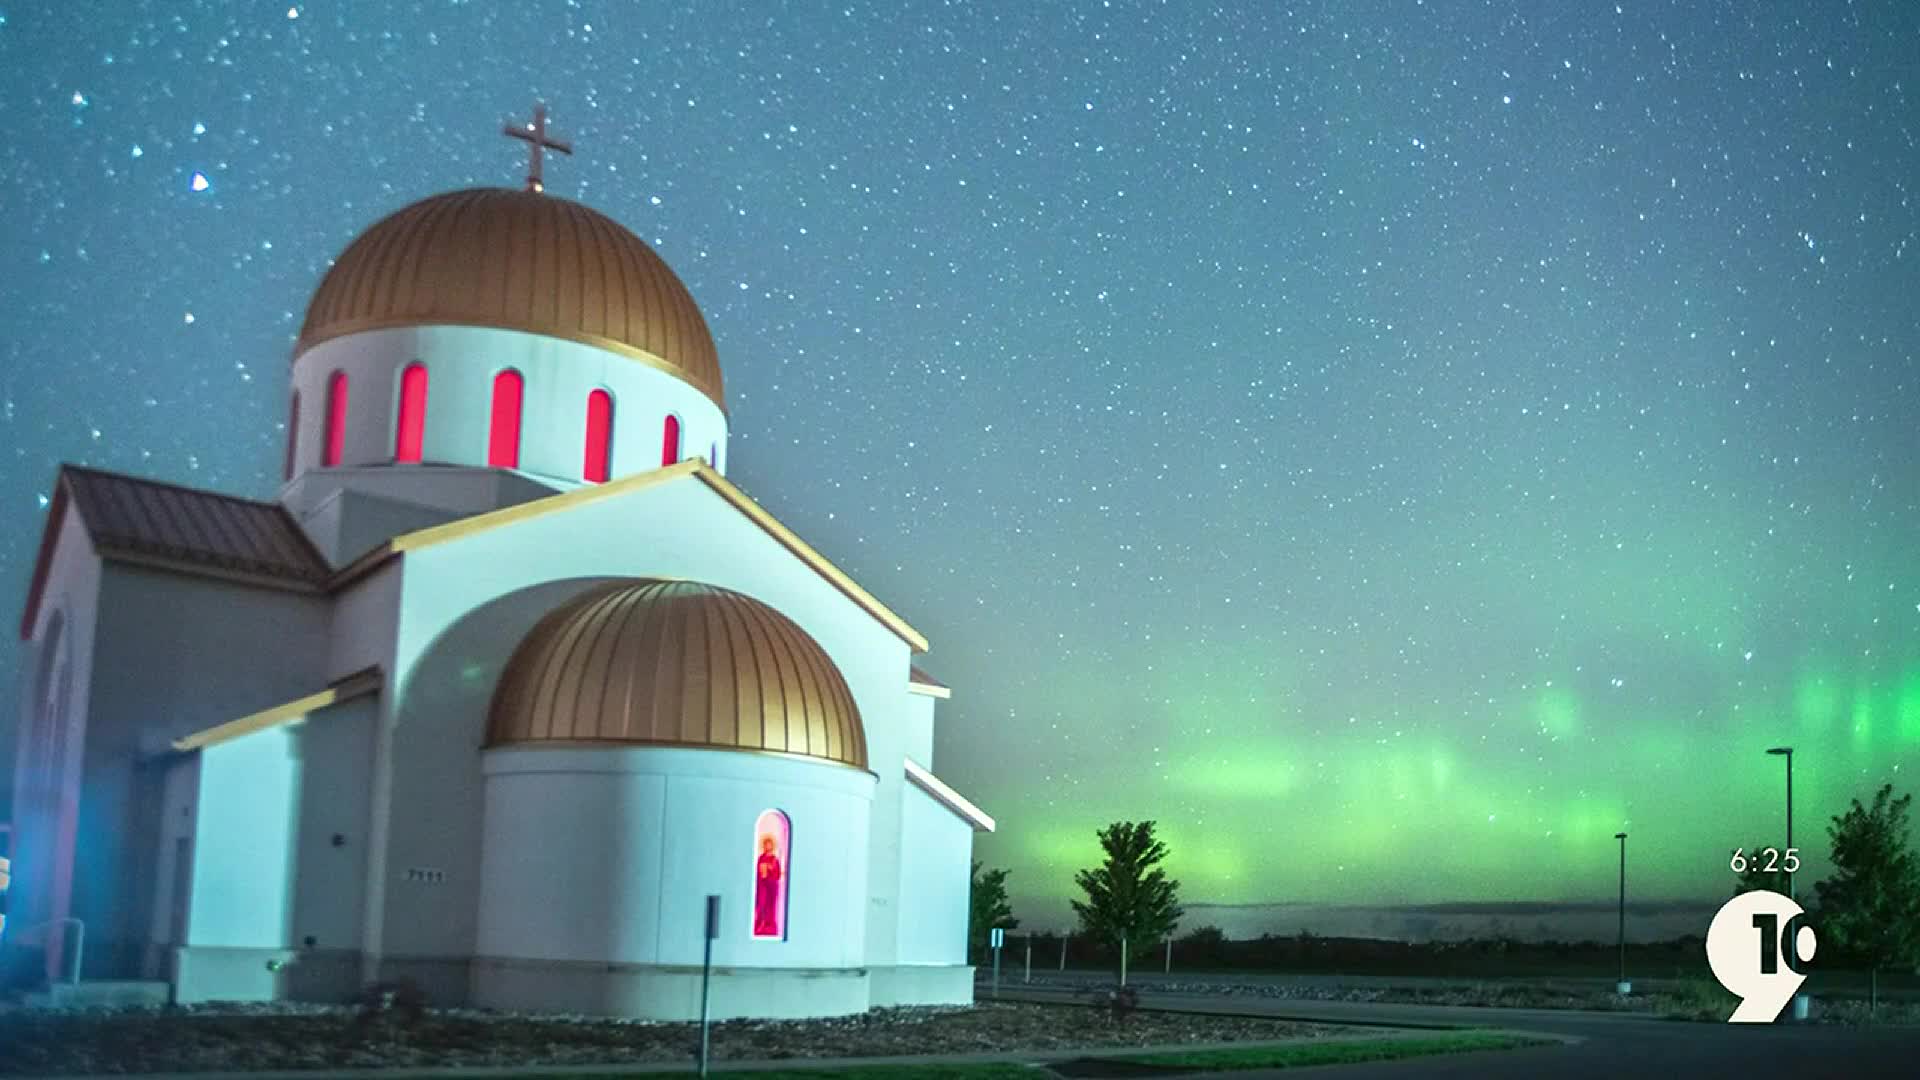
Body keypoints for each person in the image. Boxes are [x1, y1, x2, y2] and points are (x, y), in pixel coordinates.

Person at [753, 834, 783, 936]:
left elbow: (778, 875)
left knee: (770, 906)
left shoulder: (775, 860)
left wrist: (771, 869)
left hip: (772, 887)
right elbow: (757, 872)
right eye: (766, 845)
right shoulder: (761, 858)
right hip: (762, 886)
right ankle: (760, 924)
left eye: (769, 845)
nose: (767, 847)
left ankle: (769, 926)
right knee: (761, 905)